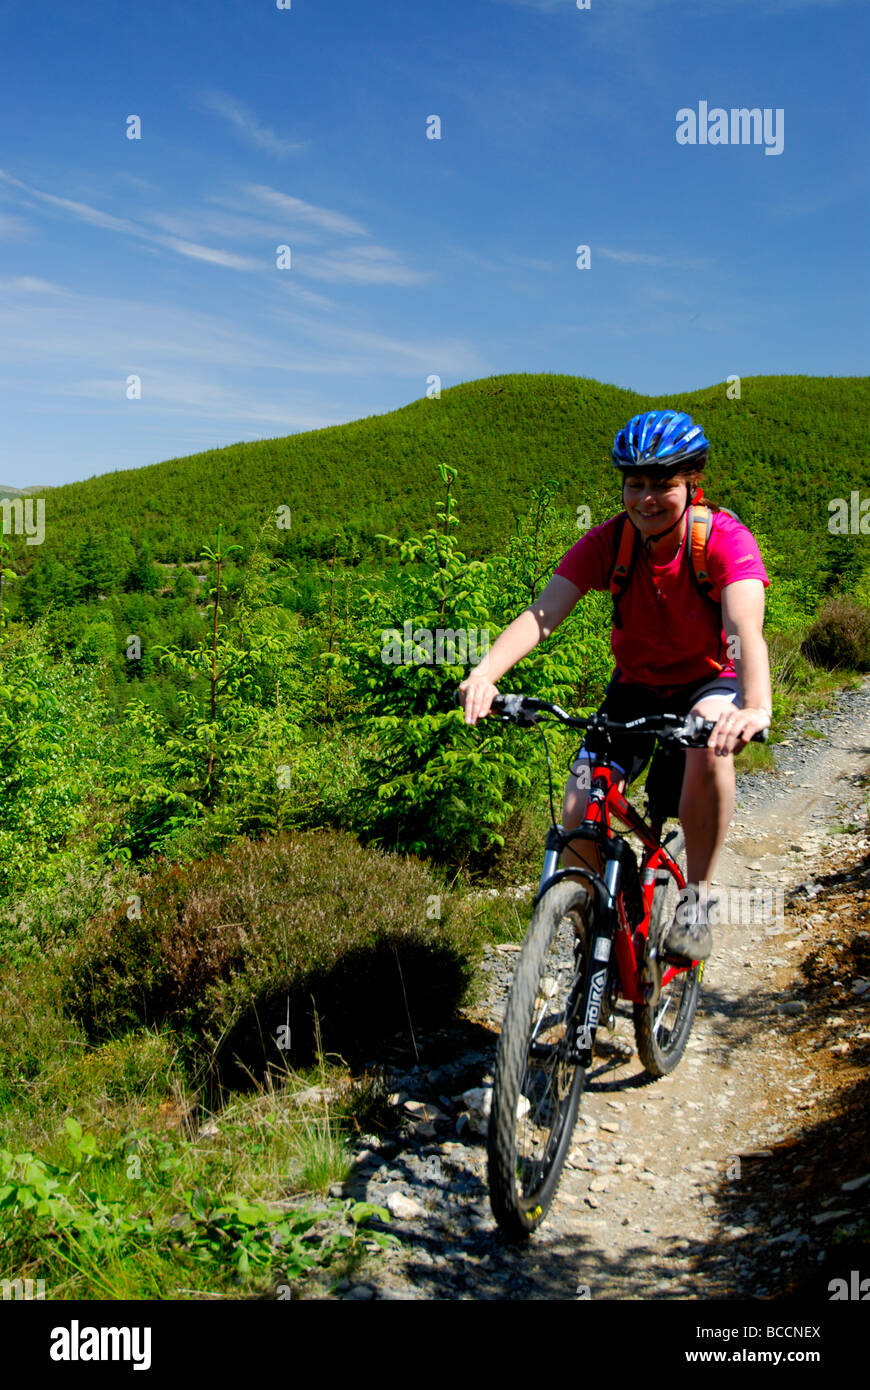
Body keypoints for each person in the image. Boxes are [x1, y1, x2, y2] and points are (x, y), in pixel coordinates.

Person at [457, 409, 772, 964]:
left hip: (708, 679)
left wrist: (753, 706)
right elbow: (542, 614)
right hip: (635, 687)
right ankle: (603, 930)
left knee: (709, 751)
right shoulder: (610, 541)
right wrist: (485, 673)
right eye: (635, 484)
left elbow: (744, 630)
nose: (646, 498)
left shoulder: (722, 539)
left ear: (692, 484)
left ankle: (695, 900)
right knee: (580, 805)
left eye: (662, 485)